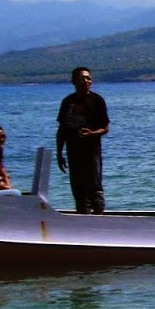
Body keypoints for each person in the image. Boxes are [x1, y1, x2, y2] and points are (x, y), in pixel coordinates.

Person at [56, 66, 110, 213]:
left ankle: (99, 218)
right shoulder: (67, 102)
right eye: (82, 78)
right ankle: (82, 218)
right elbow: (62, 130)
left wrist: (91, 133)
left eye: (88, 78)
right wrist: (59, 153)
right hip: (73, 152)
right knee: (79, 191)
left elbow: (105, 128)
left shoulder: (97, 100)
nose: (86, 81)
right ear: (74, 81)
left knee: (95, 189)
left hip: (92, 152)